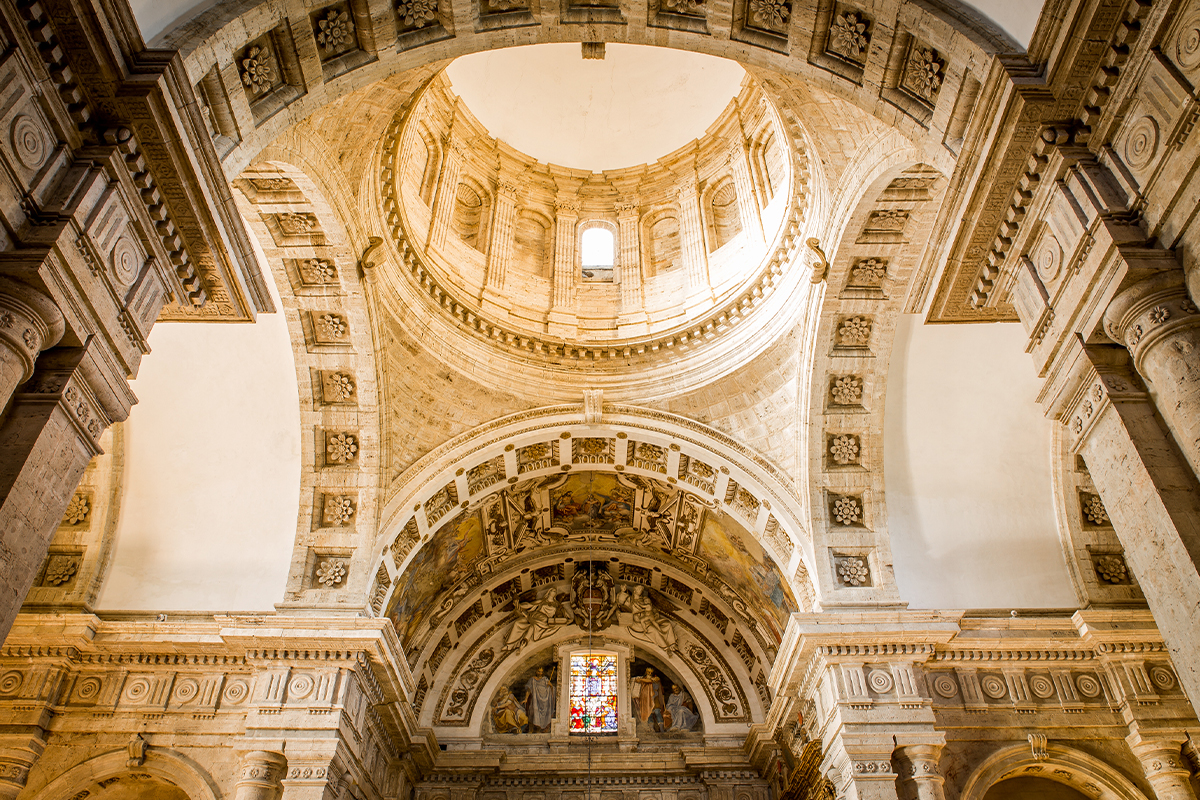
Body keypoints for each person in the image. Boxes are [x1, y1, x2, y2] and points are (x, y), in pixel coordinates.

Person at [626, 585, 678, 652]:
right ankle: (665, 647)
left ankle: (672, 644)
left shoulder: (644, 599)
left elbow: (653, 608)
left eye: (641, 589)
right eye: (639, 589)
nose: (641, 590)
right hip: (642, 622)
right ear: (635, 590)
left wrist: (656, 614)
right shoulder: (631, 600)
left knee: (667, 624)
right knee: (654, 630)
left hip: (651, 618)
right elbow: (633, 612)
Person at [631, 667, 665, 731]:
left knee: (657, 712)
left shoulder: (656, 679)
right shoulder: (643, 679)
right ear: (646, 672)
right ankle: (651, 728)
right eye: (648, 672)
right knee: (648, 714)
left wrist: (641, 680)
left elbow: (649, 681)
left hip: (654, 698)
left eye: (651, 673)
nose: (649, 674)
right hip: (645, 698)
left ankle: (661, 728)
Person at [523, 666, 555, 732]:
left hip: (544, 700)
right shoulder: (532, 680)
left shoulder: (545, 679)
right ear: (536, 671)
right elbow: (529, 690)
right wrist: (526, 699)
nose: (540, 673)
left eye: (541, 672)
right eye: (538, 671)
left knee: (542, 717)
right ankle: (531, 729)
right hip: (535, 699)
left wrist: (550, 686)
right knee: (532, 712)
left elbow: (551, 688)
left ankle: (538, 730)